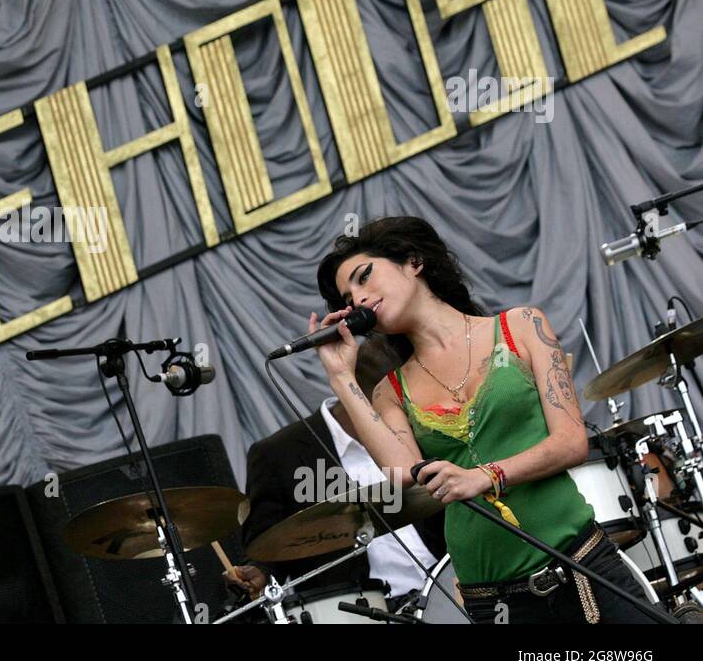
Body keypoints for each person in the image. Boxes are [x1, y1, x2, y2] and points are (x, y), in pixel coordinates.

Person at [309, 215, 663, 624]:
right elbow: (401, 472)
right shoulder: (390, 390)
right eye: (347, 297)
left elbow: (571, 443)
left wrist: (484, 476)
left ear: (413, 261)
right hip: (496, 603)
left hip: (582, 567)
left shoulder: (521, 327)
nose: (356, 298)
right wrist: (341, 378)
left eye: (364, 276)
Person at [228, 338, 446, 615]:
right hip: (357, 612)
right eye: (398, 401)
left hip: (447, 591)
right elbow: (266, 549)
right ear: (360, 396)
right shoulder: (278, 454)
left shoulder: (421, 431)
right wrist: (258, 574)